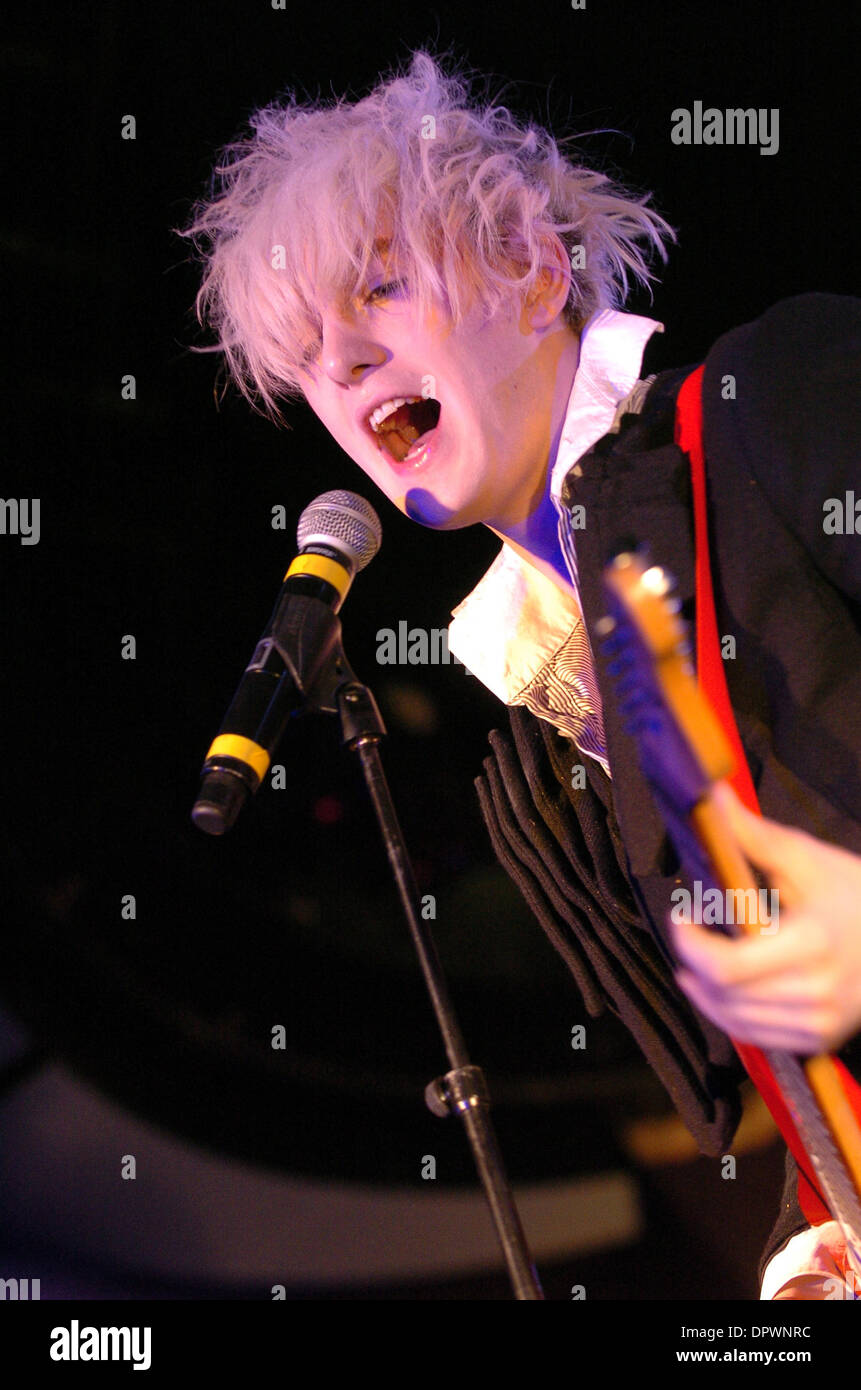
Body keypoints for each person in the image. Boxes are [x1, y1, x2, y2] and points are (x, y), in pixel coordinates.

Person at [181, 51, 861, 1299]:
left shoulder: (784, 394)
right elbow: (810, 1092)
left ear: (536, 271)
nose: (343, 365)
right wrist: (810, 1252)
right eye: (309, 357)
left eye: (381, 290)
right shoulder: (545, 728)